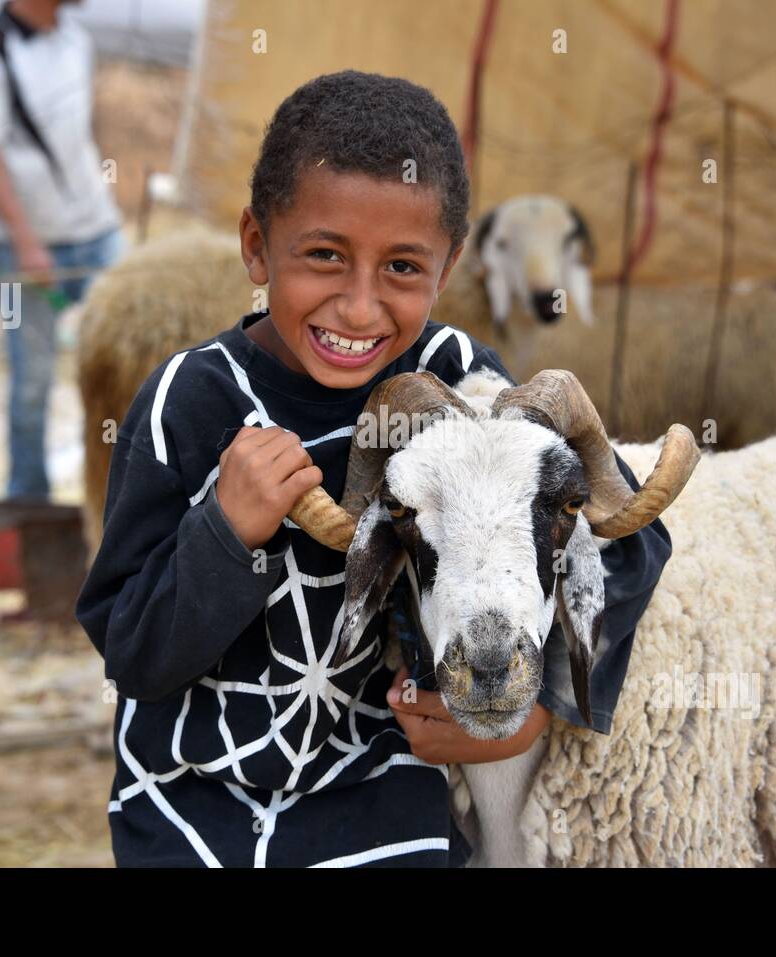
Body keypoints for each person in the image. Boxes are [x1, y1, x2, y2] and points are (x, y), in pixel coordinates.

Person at [74, 70, 672, 867]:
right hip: (194, 806)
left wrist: (536, 708)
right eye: (324, 256)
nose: (358, 309)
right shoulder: (186, 402)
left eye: (401, 268)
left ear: (449, 267)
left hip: (386, 803)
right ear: (257, 245)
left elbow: (632, 542)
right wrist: (222, 530)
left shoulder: (459, 378)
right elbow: (131, 646)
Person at [0, 0, 123, 500]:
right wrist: (28, 244)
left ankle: (124, 499)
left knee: (128, 369)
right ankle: (26, 502)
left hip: (97, 230)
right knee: (32, 384)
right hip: (27, 247)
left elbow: (78, 132)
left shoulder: (76, 38)